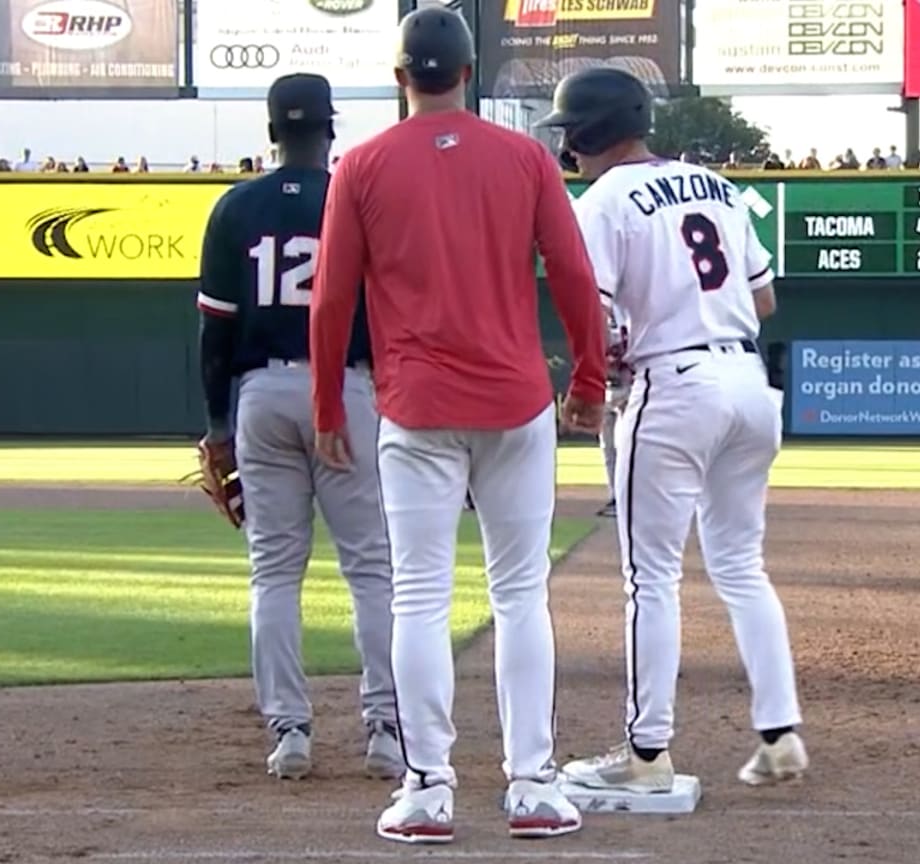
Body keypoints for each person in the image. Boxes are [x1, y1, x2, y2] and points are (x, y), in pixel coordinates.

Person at [308, 6, 607, 845]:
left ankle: (429, 788)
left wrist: (327, 404)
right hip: (515, 401)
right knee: (520, 595)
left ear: (401, 75)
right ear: (468, 73)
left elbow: (331, 298)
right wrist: (588, 377)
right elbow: (572, 272)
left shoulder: (361, 165)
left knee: (418, 596)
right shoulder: (524, 156)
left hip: (416, 408)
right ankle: (533, 785)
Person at [536, 67, 808, 796]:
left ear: (590, 131)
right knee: (740, 566)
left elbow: (590, 310)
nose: (568, 149)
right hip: (749, 383)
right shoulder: (715, 186)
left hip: (676, 386)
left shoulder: (602, 201)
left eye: (570, 134)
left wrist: (596, 371)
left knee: (650, 577)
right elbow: (765, 299)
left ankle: (646, 754)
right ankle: (780, 735)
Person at [195, 73, 403, 785]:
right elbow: (390, 321)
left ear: (272, 132)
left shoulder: (235, 207)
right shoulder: (361, 199)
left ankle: (289, 733)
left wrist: (217, 425)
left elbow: (215, 333)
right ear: (330, 129)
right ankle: (385, 729)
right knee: (371, 567)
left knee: (275, 570)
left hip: (261, 394)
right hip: (344, 390)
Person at [597, 311, 631, 517]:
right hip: (605, 391)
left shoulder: (628, 320)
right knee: (607, 449)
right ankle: (615, 496)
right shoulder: (597, 322)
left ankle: (625, 497)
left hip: (626, 390)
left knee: (622, 446)